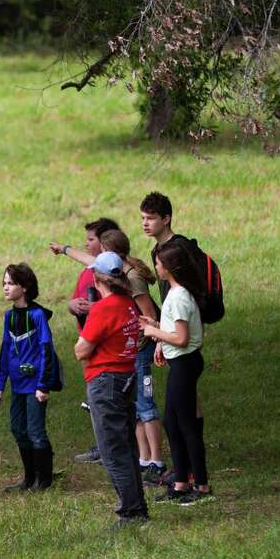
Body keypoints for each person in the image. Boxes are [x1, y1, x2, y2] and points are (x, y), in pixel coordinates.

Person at [56, 228, 167, 485]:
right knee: (136, 408)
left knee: (145, 405)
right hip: (130, 353)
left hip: (138, 352)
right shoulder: (119, 284)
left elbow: (150, 316)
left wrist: (158, 341)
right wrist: (63, 249)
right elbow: (89, 261)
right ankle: (143, 460)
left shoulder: (132, 283)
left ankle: (156, 461)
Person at [73, 252, 149, 527]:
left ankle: (130, 512)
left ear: (97, 278)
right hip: (126, 376)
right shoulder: (128, 303)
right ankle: (137, 506)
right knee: (126, 446)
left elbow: (81, 350)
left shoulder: (104, 308)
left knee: (112, 450)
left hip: (106, 380)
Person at [140, 242, 212, 505]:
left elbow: (182, 339)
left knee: (187, 426)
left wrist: (153, 333)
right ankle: (181, 482)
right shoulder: (176, 293)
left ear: (170, 267)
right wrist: (158, 328)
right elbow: (179, 331)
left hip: (184, 364)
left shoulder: (180, 296)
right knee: (172, 423)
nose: (156, 266)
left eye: (159, 263)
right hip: (179, 363)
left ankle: (201, 485)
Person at [49, 216, 119, 464]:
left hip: (103, 346)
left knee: (107, 400)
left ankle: (111, 449)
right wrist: (72, 305)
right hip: (87, 340)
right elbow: (74, 301)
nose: (87, 244)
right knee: (94, 399)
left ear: (105, 242)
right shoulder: (87, 273)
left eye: (91, 239)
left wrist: (93, 309)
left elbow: (113, 309)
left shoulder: (112, 274)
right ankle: (102, 445)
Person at [0, 263, 57, 491]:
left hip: (35, 385)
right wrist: (0, 381)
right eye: (4, 283)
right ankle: (29, 477)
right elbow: (6, 349)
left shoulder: (38, 315)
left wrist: (43, 384)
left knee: (35, 431)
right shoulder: (9, 316)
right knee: (18, 429)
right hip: (17, 385)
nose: (5, 288)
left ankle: (44, 480)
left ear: (25, 287)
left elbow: (46, 350)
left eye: (11, 283)